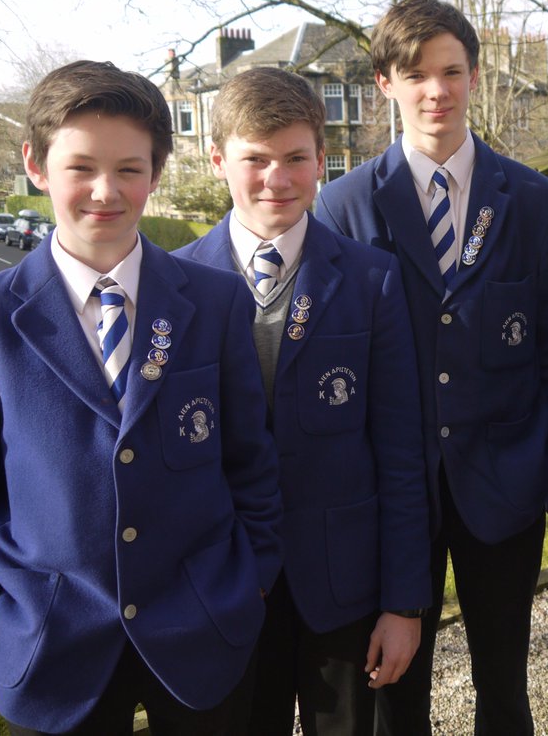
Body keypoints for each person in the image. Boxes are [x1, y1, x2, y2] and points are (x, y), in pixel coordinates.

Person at [0, 60, 282, 735]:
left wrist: (249, 582)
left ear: (156, 171)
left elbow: (251, 463)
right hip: (52, 650)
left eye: (128, 169)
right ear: (35, 165)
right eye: (81, 167)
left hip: (203, 632)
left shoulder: (216, 302)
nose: (105, 191)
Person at [315, 0, 548, 735]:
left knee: (505, 686)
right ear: (384, 83)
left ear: (475, 75)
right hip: (394, 497)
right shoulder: (344, 206)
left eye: (452, 72)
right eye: (416, 74)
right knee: (397, 698)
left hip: (504, 486)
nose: (437, 91)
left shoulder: (531, 199)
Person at [174, 67, 431, 736]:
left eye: (295, 158)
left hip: (343, 589)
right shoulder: (175, 286)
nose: (277, 179)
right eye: (255, 160)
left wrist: (405, 603)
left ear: (321, 158)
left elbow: (401, 453)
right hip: (226, 588)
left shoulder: (372, 280)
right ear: (217, 158)